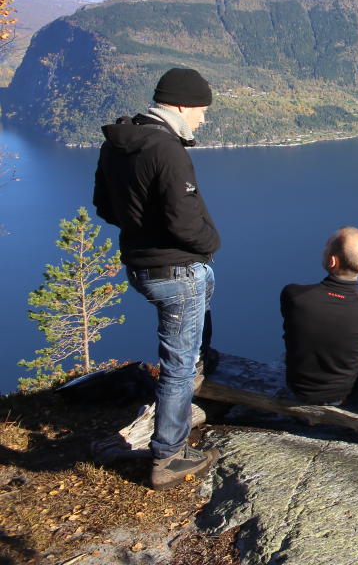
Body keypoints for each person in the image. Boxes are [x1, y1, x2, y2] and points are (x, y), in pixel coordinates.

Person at [93, 67, 220, 489]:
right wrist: (209, 244)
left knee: (188, 348)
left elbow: (105, 206)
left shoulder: (116, 145)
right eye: (201, 110)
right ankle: (169, 455)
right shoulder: (167, 150)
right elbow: (185, 223)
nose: (202, 119)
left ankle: (198, 378)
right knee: (178, 366)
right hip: (176, 268)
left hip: (141, 264)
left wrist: (142, 228)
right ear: (182, 105)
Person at [281, 227, 358, 405]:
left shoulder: (294, 295)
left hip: (299, 390)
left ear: (332, 261)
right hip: (345, 396)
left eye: (326, 246)